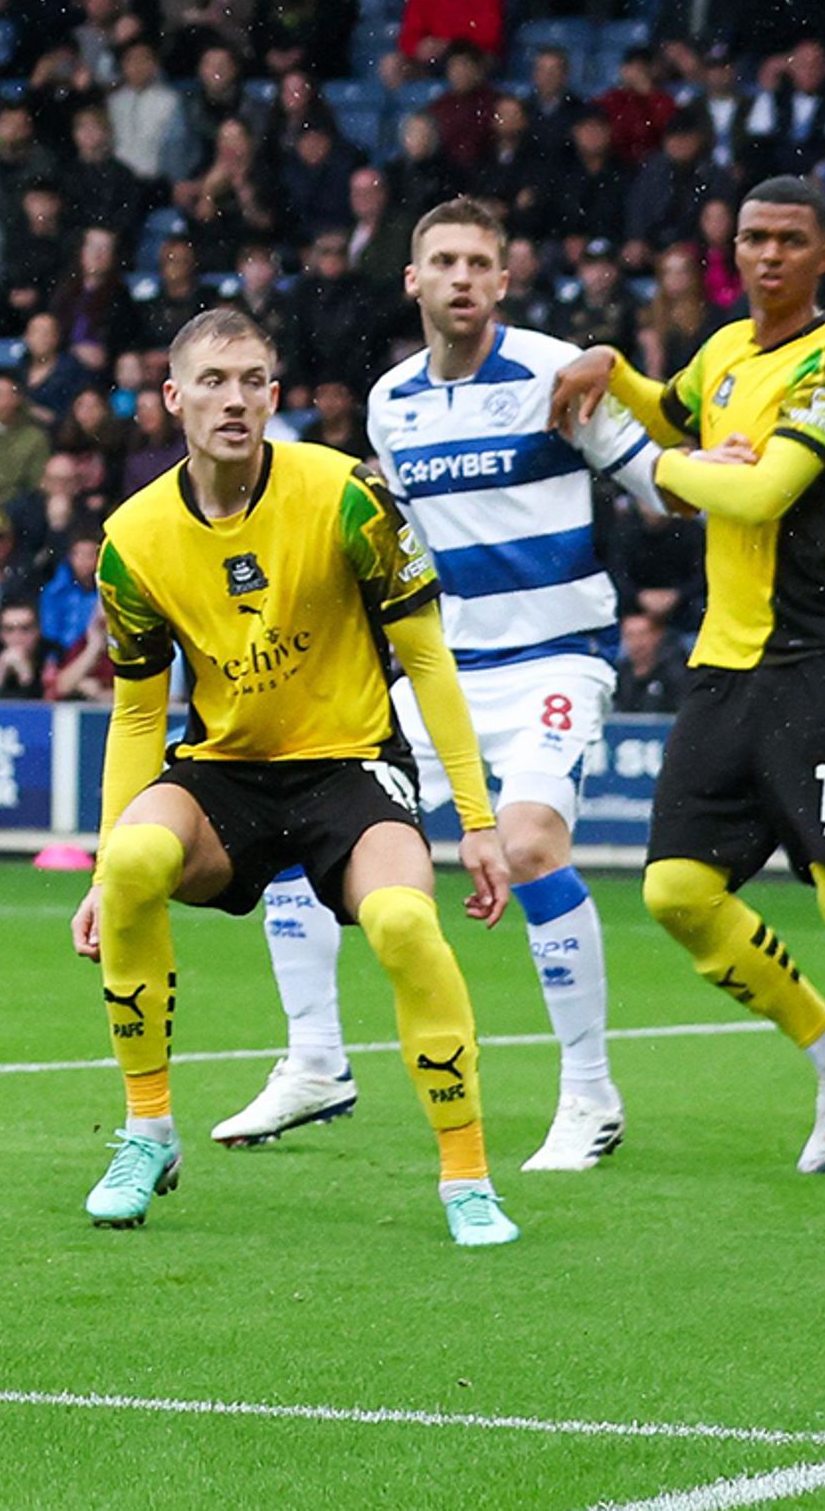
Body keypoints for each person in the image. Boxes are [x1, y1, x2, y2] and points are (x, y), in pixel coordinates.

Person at [216, 197, 667, 1173]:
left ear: (501, 281)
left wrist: (672, 409)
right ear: (412, 279)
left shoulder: (556, 371)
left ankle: (589, 1094)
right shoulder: (390, 402)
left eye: (478, 262)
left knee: (530, 841)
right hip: (443, 675)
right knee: (306, 826)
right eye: (442, 261)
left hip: (552, 658)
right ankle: (313, 1061)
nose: (460, 276)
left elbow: (662, 485)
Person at [70, 306, 523, 1248]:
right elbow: (140, 712)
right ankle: (148, 1130)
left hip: (352, 767)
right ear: (172, 399)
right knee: (137, 864)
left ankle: (467, 1176)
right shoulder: (133, 538)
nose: (233, 400)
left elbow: (429, 661)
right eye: (211, 382)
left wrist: (478, 821)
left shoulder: (347, 492)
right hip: (226, 774)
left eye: (251, 382)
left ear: (274, 396)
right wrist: (105, 861)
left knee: (403, 922)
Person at [546, 176, 825, 1187]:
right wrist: (617, 375)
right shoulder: (723, 351)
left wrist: (640, 463)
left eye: (788, 240)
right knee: (677, 892)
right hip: (726, 663)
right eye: (751, 239)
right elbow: (674, 409)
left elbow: (766, 486)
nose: (766, 255)